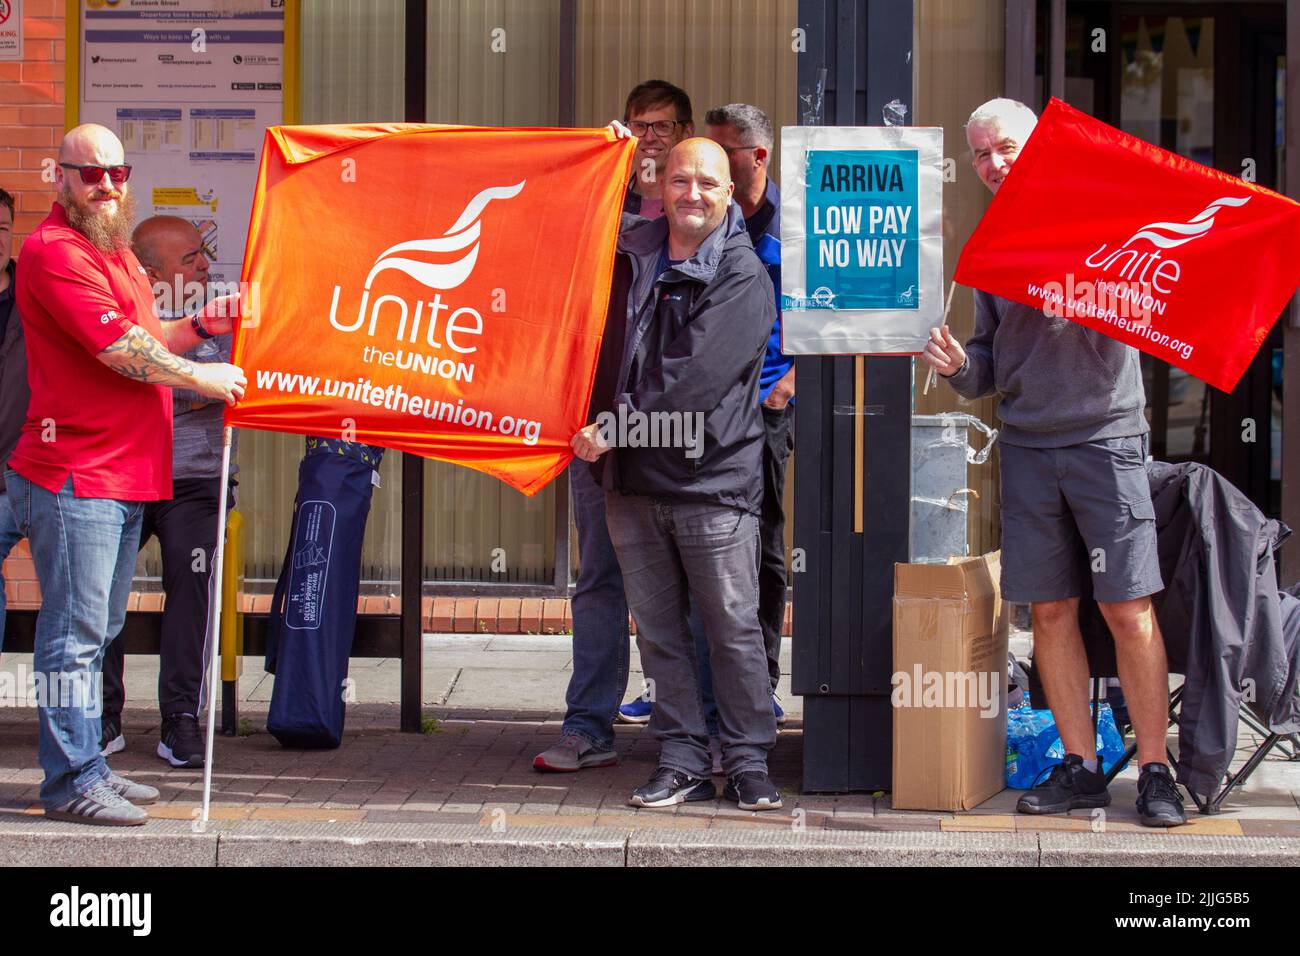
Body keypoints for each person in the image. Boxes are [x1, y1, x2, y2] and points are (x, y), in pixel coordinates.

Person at [921, 98, 1185, 827]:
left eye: (1005, 147)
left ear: (1041, 145)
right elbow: (988, 364)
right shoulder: (993, 242)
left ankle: (1157, 769)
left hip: (1106, 436)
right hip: (1028, 442)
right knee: (1049, 610)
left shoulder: (1105, 217)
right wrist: (955, 365)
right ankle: (1082, 767)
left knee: (1128, 607)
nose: (993, 164)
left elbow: (1156, 303)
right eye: (980, 154)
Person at [8, 124, 246, 826]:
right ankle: (70, 784)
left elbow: (151, 338)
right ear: (62, 176)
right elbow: (120, 349)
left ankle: (90, 767)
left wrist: (203, 323)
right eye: (91, 174)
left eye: (117, 171)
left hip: (120, 477)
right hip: (75, 472)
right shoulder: (51, 252)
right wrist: (201, 371)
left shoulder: (113, 253)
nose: (106, 185)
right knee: (74, 636)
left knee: (99, 627)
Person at [573, 138, 780, 810]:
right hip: (630, 484)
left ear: (729, 194)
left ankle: (749, 760)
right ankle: (684, 756)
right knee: (659, 634)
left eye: (708, 184)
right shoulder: (629, 254)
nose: (693, 194)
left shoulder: (745, 279)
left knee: (731, 628)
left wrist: (614, 429)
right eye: (680, 180)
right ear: (659, 185)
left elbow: (691, 383)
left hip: (710, 483)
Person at [533, 80, 694, 773]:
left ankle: (686, 729)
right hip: (594, 424)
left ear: (684, 132)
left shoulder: (699, 205)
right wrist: (597, 175)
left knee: (686, 581)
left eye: (662, 128)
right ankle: (588, 724)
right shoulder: (599, 203)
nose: (650, 139)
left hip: (671, 426)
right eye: (639, 127)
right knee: (599, 576)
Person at [99, 216, 238, 769]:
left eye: (203, 255)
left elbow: (236, 382)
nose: (205, 265)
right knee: (100, 594)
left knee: (193, 587)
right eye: (191, 259)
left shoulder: (226, 315)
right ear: (151, 273)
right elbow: (127, 380)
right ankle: (104, 717)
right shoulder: (125, 314)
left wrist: (169, 379)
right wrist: (199, 382)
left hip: (196, 482)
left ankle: (180, 719)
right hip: (128, 475)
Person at [0, 188, 29, 653]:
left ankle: (98, 716)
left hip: (36, 468)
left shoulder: (37, 295)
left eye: (2, 229)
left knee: (75, 592)